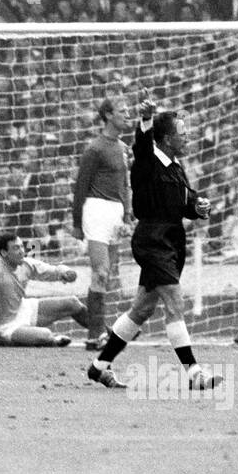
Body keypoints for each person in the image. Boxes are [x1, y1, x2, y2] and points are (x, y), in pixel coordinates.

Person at [85, 98, 223, 391]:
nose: (187, 137)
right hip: (152, 239)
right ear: (165, 138)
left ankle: (99, 366)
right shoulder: (148, 161)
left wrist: (197, 206)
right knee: (175, 301)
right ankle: (194, 374)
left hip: (171, 241)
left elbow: (185, 202)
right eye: (182, 132)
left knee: (141, 310)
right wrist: (146, 120)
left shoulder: (175, 166)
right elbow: (141, 144)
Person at [71, 97, 133, 350]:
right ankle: (94, 336)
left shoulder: (123, 147)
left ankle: (99, 333)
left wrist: (128, 215)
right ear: (108, 115)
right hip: (96, 209)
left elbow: (125, 185)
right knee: (100, 272)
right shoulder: (95, 149)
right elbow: (80, 187)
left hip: (115, 213)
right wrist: (77, 222)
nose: (128, 115)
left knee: (108, 278)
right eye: (123, 111)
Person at [0, 233, 87, 347]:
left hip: (23, 308)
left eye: (22, 246)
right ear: (4, 252)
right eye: (16, 248)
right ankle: (51, 340)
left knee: (73, 303)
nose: (22, 251)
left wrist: (66, 272)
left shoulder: (26, 264)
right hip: (4, 326)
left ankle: (99, 334)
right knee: (45, 334)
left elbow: (53, 270)